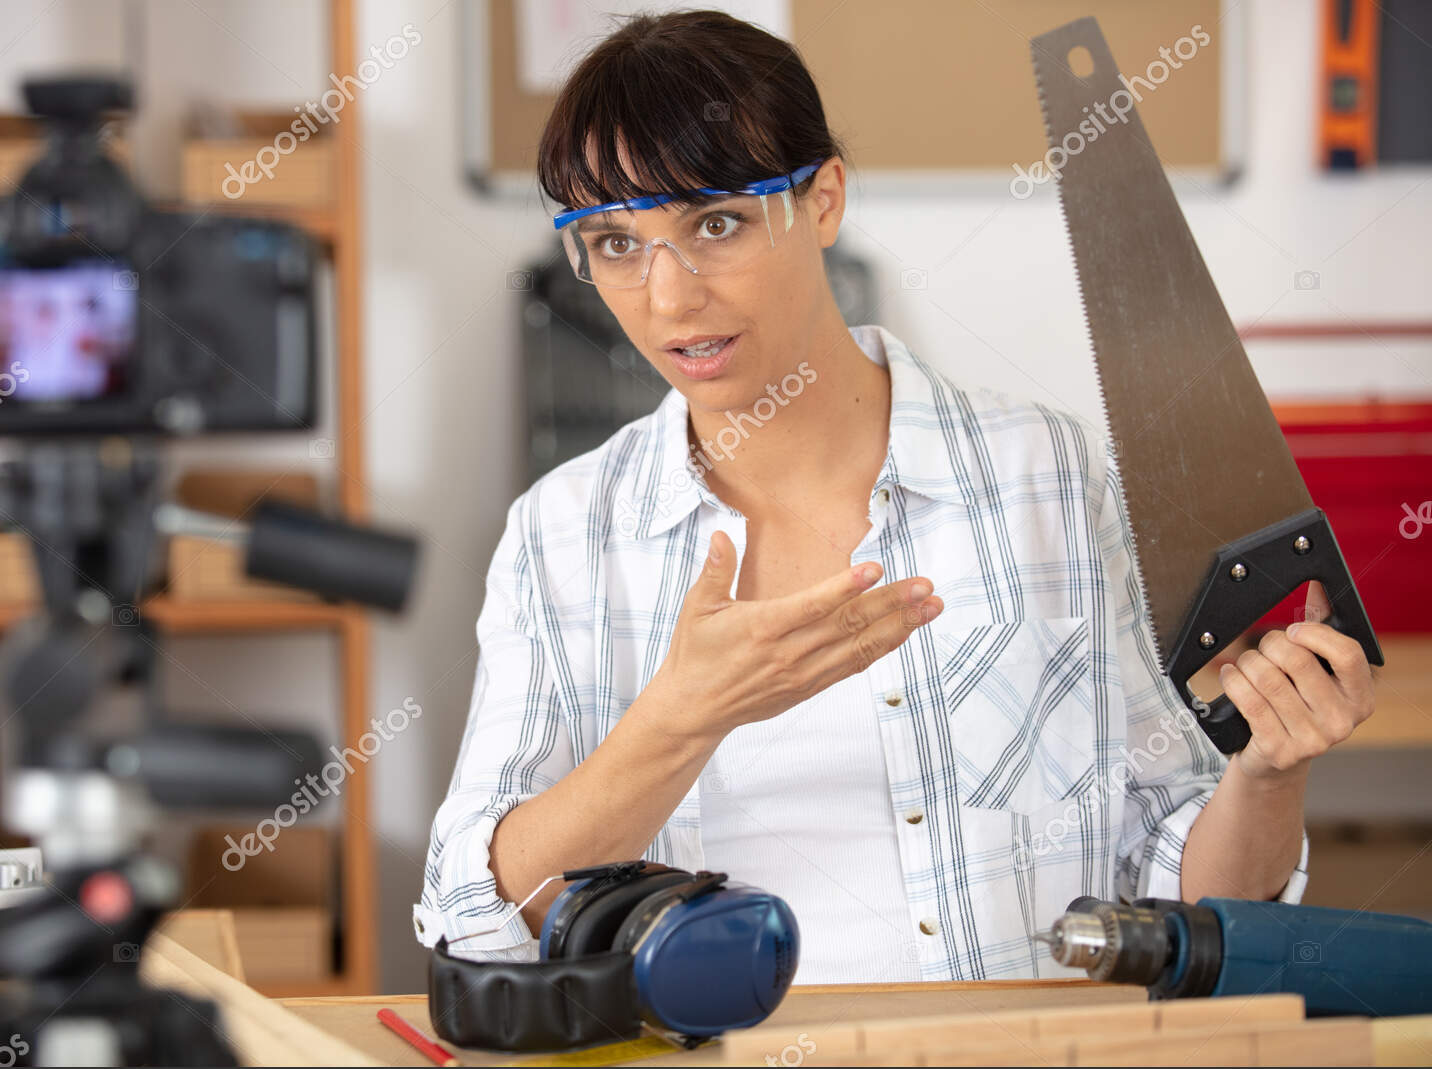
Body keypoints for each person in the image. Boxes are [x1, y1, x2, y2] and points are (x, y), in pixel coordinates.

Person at [414, 10, 1377, 982]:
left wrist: (1267, 771)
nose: (668, 298)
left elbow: (1181, 907)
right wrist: (679, 719)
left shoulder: (1044, 474)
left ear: (822, 199)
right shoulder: (564, 534)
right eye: (616, 243)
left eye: (717, 223)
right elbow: (476, 922)